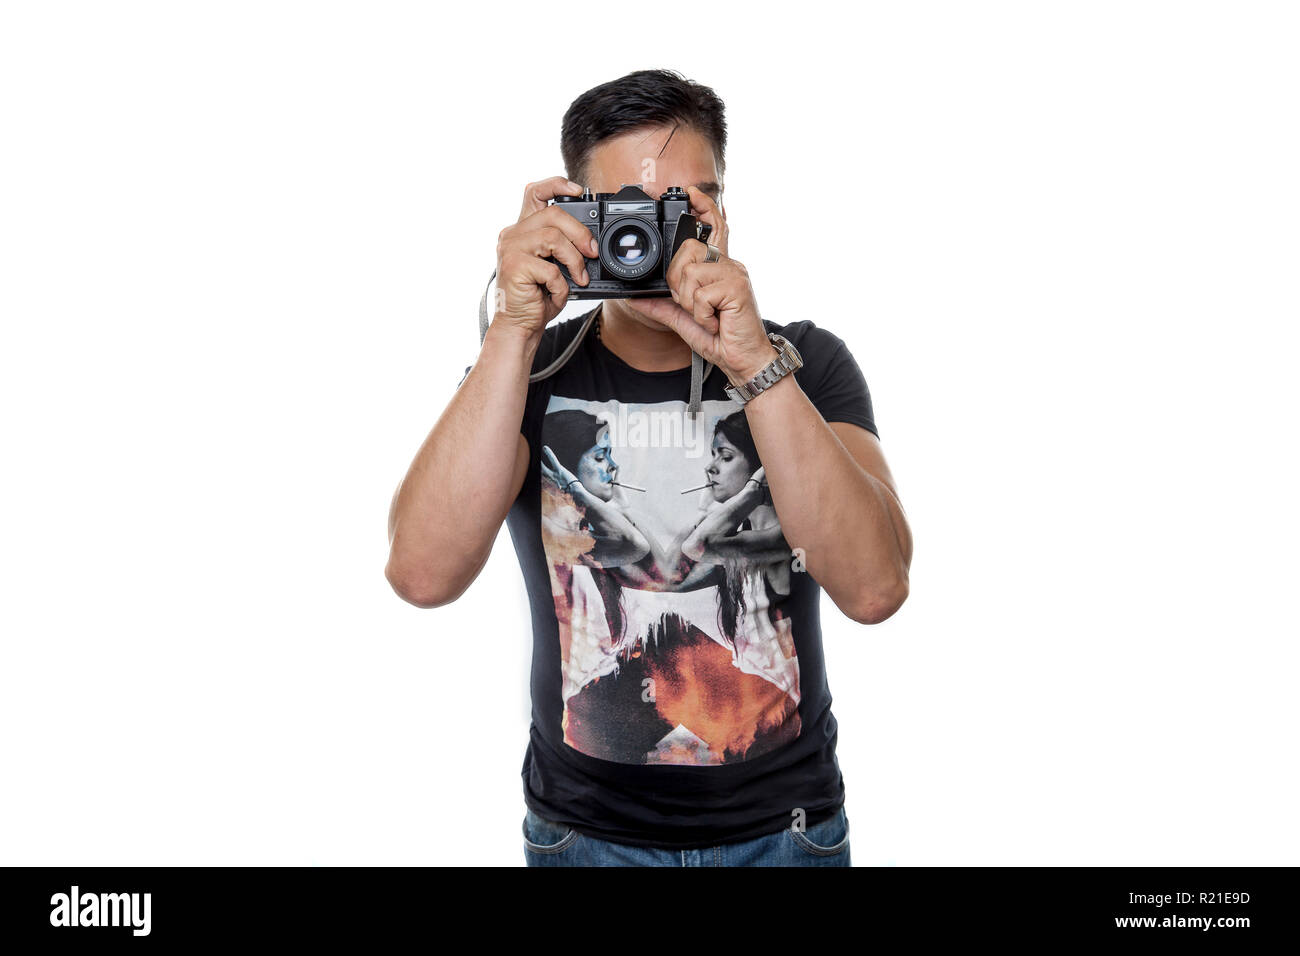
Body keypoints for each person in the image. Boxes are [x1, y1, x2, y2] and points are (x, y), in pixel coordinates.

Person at [385, 69, 913, 867]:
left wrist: (749, 360)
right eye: (619, 214)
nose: (645, 239)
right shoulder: (527, 373)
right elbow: (422, 575)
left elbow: (875, 590)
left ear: (721, 213)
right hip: (584, 835)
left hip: (786, 830)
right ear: (570, 216)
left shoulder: (802, 360)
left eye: (680, 210)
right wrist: (513, 327)